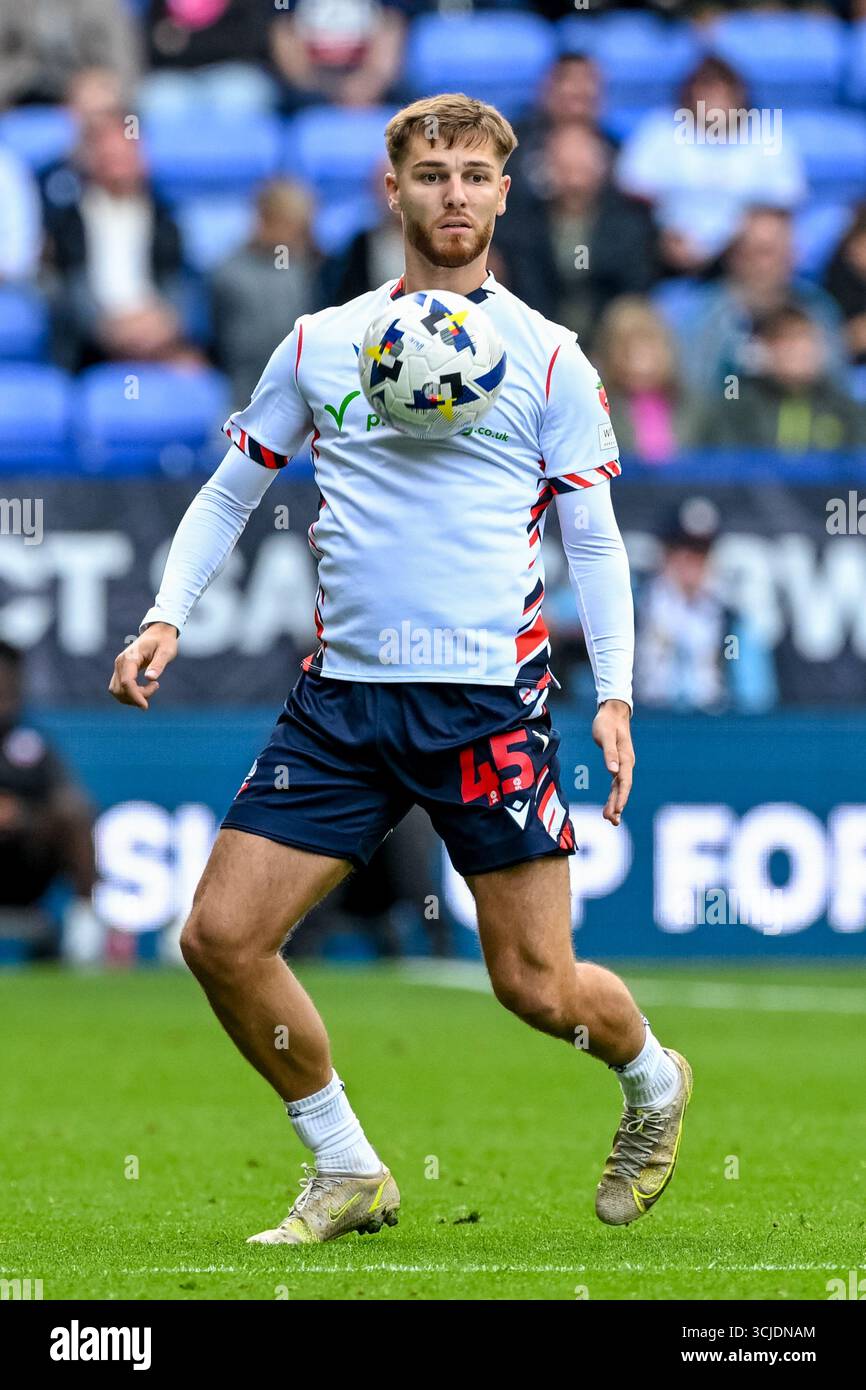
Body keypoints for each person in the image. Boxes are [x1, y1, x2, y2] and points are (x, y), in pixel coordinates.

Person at [109, 93, 692, 1246]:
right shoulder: (321, 341)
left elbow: (593, 536)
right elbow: (236, 483)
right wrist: (168, 611)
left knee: (535, 988)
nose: (454, 194)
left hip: (485, 703)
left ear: (503, 192)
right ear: (395, 191)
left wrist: (615, 690)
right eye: (432, 174)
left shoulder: (548, 356)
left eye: (475, 173)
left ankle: (653, 1084)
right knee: (219, 938)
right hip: (342, 703)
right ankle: (346, 1168)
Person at [617, 56, 805, 276]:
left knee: (769, 235)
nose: (715, 100)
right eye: (707, 91)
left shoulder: (767, 135)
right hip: (665, 249)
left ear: (739, 96)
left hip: (741, 251)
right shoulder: (661, 129)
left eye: (723, 92)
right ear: (690, 96)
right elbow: (633, 190)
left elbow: (784, 200)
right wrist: (664, 233)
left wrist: (732, 241)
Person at [0, 641, 103, 963]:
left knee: (72, 814)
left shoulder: (33, 744)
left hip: (20, 865)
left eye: (10, 680)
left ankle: (85, 929)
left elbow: (67, 801)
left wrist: (21, 814)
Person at [695, 303, 866, 452]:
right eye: (784, 341)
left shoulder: (846, 411)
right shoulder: (735, 410)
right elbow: (723, 470)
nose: (797, 350)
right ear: (762, 350)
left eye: (804, 339)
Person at [210, 179, 323, 403]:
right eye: (290, 225)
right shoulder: (229, 274)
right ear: (264, 220)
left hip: (306, 396)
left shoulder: (318, 271)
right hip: (245, 396)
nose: (298, 237)